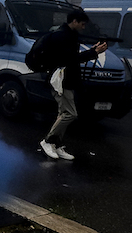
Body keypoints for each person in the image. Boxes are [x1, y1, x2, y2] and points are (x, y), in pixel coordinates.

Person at [39, 9, 108, 161]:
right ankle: (48, 141)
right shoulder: (62, 36)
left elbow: (72, 58)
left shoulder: (69, 35)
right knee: (70, 114)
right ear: (74, 21)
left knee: (63, 113)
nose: (84, 27)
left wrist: (92, 51)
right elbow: (69, 59)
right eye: (82, 24)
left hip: (67, 80)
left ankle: (56, 144)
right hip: (61, 81)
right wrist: (94, 53)